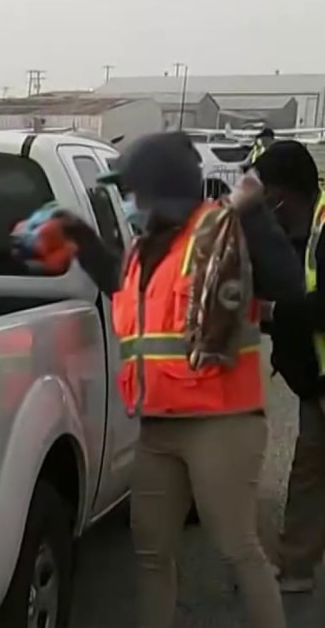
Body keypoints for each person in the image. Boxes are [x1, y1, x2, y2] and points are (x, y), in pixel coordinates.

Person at [49, 132, 300, 628]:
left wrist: (252, 213)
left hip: (221, 424)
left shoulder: (219, 232)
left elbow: (287, 283)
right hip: (157, 427)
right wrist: (77, 237)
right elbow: (119, 284)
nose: (126, 202)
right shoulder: (143, 252)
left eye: (130, 191)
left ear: (158, 189)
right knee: (151, 551)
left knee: (237, 548)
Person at [250, 140, 325, 593]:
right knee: (309, 471)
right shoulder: (296, 232)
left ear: (286, 194)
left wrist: (274, 312)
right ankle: (296, 567)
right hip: (316, 380)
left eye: (268, 196)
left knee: (311, 469)